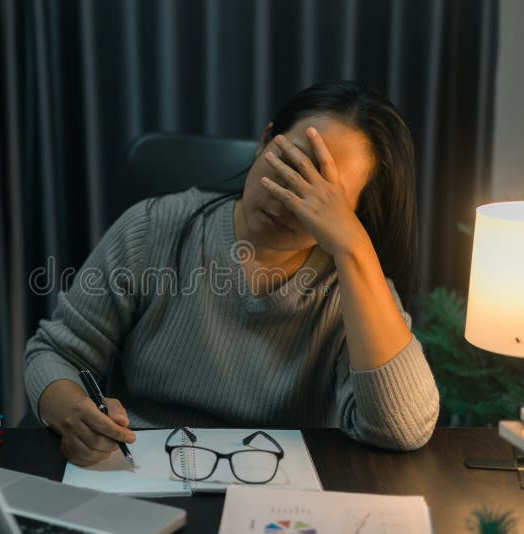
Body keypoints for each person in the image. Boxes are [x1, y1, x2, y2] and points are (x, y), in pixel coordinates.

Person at [24, 80, 439, 466]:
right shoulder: (153, 229)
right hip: (142, 469)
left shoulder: (352, 284)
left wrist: (355, 248)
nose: (288, 199)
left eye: (322, 193)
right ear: (264, 141)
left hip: (279, 490)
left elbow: (399, 428)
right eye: (290, 164)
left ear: (353, 214)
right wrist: (74, 410)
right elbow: (56, 353)